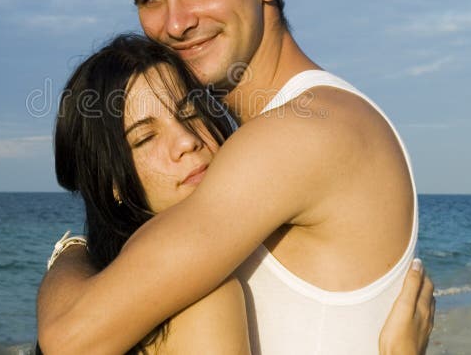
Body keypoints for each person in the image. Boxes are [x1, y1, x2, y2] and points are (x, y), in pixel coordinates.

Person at [38, 0, 434, 354]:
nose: (176, 22)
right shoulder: (282, 130)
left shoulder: (301, 132)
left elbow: (72, 339)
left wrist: (70, 252)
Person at [44, 34, 431, 354]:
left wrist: (71, 252)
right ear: (111, 180)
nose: (186, 141)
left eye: (191, 112)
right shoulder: (205, 299)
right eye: (145, 137)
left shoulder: (106, 296)